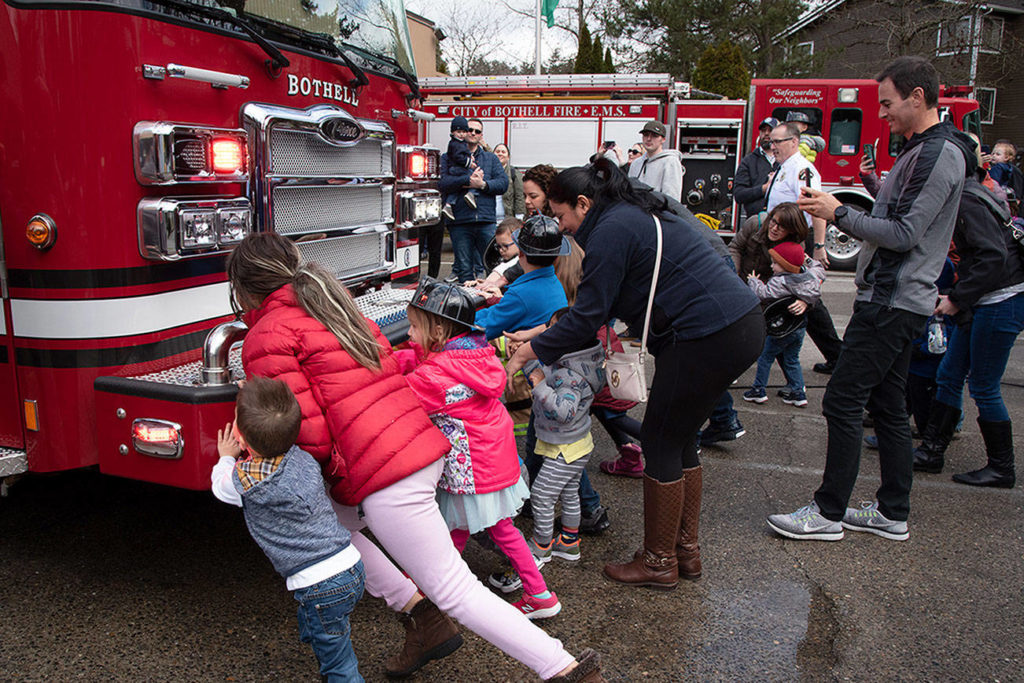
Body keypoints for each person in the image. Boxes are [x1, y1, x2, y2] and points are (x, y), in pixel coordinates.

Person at [227, 233, 606, 682]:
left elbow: (304, 434)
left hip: (382, 469)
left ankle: (563, 668)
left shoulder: (267, 333)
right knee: (331, 532)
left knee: (455, 588)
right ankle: (420, 616)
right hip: (411, 445)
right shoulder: (332, 302)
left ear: (244, 288)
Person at [507, 158, 764, 589]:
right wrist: (539, 331)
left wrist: (527, 353)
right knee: (679, 439)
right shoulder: (626, 215)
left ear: (584, 203)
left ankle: (659, 561)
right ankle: (685, 552)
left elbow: (588, 315)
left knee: (661, 440)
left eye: (559, 213)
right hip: (734, 326)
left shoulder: (611, 231)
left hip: (706, 334)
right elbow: (595, 306)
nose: (559, 224)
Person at [768, 56, 975, 542]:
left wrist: (837, 212)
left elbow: (903, 233)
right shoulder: (924, 149)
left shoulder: (937, 152)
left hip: (891, 300)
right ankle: (891, 510)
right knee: (886, 404)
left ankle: (827, 512)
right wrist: (866, 190)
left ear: (917, 97)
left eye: (886, 103)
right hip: (898, 298)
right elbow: (905, 217)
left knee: (842, 400)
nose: (881, 113)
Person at [395, 279, 562, 619]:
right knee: (476, 530)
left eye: (414, 327)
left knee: (468, 531)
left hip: (469, 470)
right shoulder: (474, 354)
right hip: (493, 461)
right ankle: (429, 588)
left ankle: (432, 595)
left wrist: (380, 361)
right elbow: (428, 360)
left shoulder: (433, 376)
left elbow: (400, 395)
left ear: (437, 329)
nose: (408, 335)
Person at [211, 377, 366, 682]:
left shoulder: (244, 483)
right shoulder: (302, 459)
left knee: (339, 665)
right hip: (352, 565)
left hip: (319, 585)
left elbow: (219, 485)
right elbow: (273, 424)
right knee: (328, 626)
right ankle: (320, 629)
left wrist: (226, 456)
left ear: (242, 438)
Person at [910, 167, 1024, 487]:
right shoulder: (969, 196)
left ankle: (1001, 467)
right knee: (948, 374)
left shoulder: (968, 202)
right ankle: (932, 451)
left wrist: (958, 300)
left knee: (984, 387)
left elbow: (993, 257)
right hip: (989, 299)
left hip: (1001, 300)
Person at [524, 307, 605, 567]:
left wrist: (539, 387)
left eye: (553, 329)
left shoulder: (571, 376)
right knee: (570, 492)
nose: (548, 334)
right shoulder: (574, 361)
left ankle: (541, 546)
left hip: (565, 448)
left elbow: (564, 412)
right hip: (577, 444)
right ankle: (569, 543)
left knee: (542, 495)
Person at [765, 120, 844, 375]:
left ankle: (835, 356)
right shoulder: (783, 168)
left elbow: (816, 209)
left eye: (777, 142)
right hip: (782, 239)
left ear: (794, 142)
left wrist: (819, 247)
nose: (772, 146)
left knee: (807, 300)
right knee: (790, 297)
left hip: (797, 240)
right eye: (771, 142)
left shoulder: (802, 169)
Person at [743, 240, 824, 408]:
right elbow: (819, 269)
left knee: (765, 357)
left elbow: (764, 294)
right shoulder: (810, 276)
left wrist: (753, 281)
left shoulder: (781, 281)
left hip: (782, 329)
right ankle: (798, 393)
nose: (772, 266)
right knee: (792, 359)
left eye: (776, 263)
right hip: (799, 327)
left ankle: (758, 390)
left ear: (786, 265)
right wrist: (807, 260)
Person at [473, 215, 569, 342]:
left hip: (531, 359)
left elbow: (483, 329)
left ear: (521, 253)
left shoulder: (522, 294)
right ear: (556, 256)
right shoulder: (553, 283)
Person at [439, 118, 509, 283]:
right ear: (462, 131)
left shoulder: (491, 159)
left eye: (477, 131)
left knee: (495, 266)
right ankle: (468, 307)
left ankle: (493, 303)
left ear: (481, 135)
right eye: (469, 129)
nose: (472, 133)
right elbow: (442, 183)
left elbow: (503, 183)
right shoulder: (447, 157)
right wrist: (467, 180)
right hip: (459, 221)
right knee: (464, 270)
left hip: (486, 221)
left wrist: (483, 185)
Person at [733, 117, 778, 218]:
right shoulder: (748, 161)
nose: (766, 133)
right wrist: (763, 189)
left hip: (780, 223)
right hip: (756, 223)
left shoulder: (784, 162)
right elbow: (739, 195)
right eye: (763, 130)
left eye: (770, 130)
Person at [628, 120, 684, 200]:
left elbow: (672, 199)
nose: (649, 139)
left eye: (654, 136)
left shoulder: (671, 162)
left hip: (657, 212)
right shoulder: (636, 163)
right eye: (646, 135)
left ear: (663, 139)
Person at [440, 116, 479, 222]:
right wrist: (469, 162)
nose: (461, 134)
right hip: (457, 168)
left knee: (456, 188)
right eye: (459, 131)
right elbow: (458, 157)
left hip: (455, 170)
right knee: (473, 175)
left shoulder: (458, 143)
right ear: (453, 132)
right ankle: (471, 193)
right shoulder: (456, 144)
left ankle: (448, 204)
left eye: (463, 131)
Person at [494, 143, 526, 221]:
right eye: (497, 151)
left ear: (508, 157)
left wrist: (519, 217)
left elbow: (519, 196)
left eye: (503, 152)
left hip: (507, 219)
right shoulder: (486, 172)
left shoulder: (514, 173)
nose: (500, 153)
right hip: (489, 220)